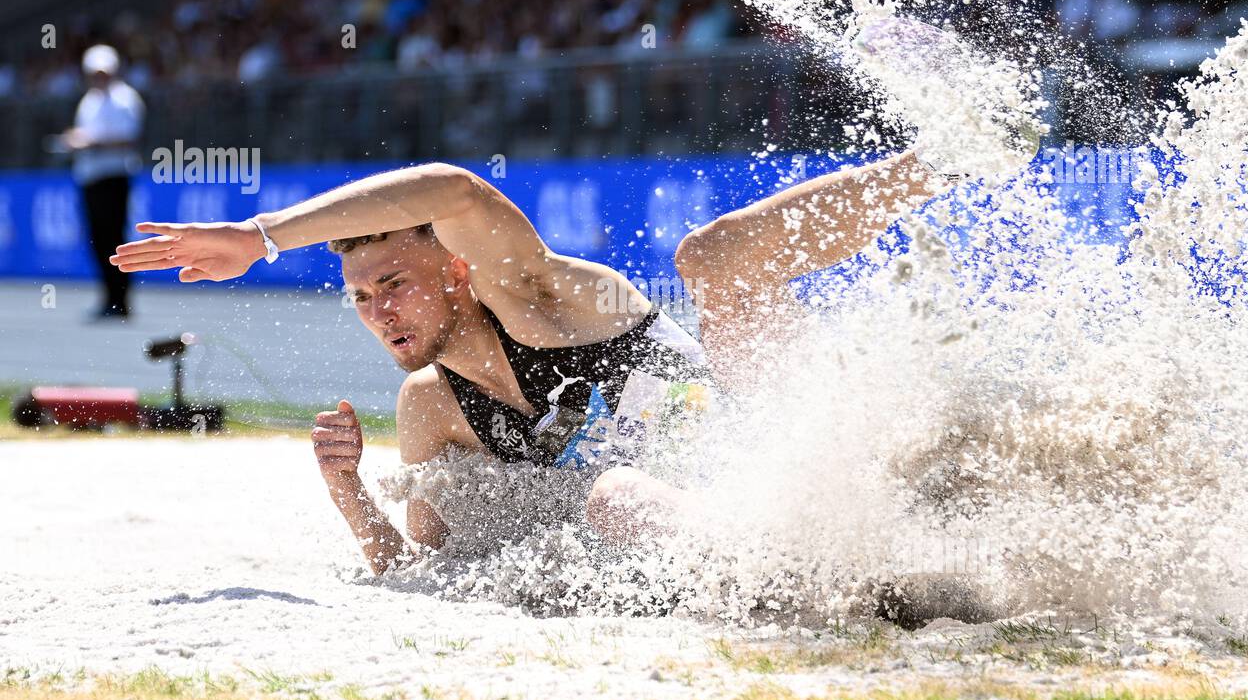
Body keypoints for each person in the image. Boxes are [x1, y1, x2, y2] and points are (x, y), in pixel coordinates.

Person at [110, 153, 941, 571]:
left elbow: (455, 190)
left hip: (784, 447)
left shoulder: (546, 304)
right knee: (618, 499)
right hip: (725, 537)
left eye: (394, 283)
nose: (379, 313)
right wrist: (351, 497)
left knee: (709, 256)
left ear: (459, 271)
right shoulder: (431, 407)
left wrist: (258, 238)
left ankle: (941, 159)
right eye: (361, 298)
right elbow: (425, 573)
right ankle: (815, 580)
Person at [60, 44, 146, 319]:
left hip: (113, 176)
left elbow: (129, 139)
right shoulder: (90, 100)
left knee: (114, 238)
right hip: (91, 176)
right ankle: (109, 295)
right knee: (98, 238)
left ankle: (120, 298)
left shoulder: (125, 99)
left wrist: (93, 143)